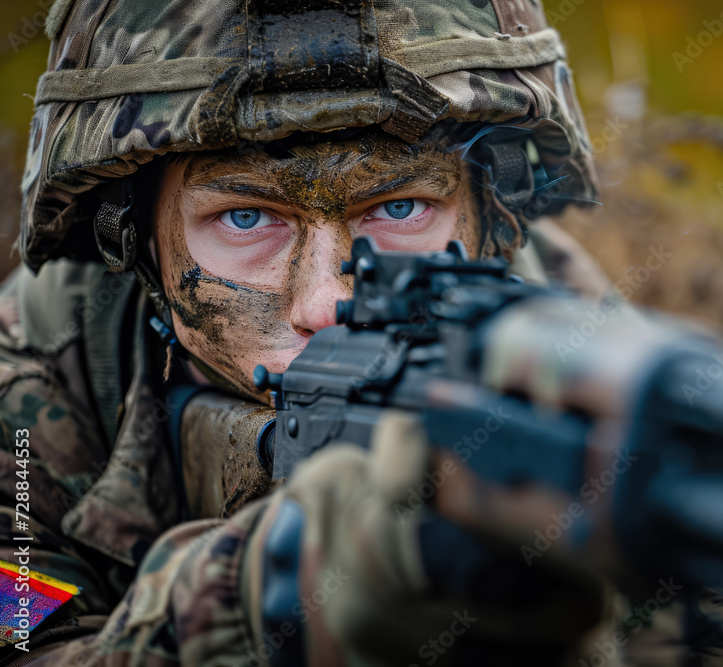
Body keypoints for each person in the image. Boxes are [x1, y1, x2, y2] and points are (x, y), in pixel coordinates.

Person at [0, 0, 618, 664]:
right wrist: (256, 595)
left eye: (399, 207)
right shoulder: (38, 367)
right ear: (130, 231)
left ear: (490, 211)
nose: (326, 303)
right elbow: (25, 640)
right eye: (244, 218)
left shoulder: (584, 353)